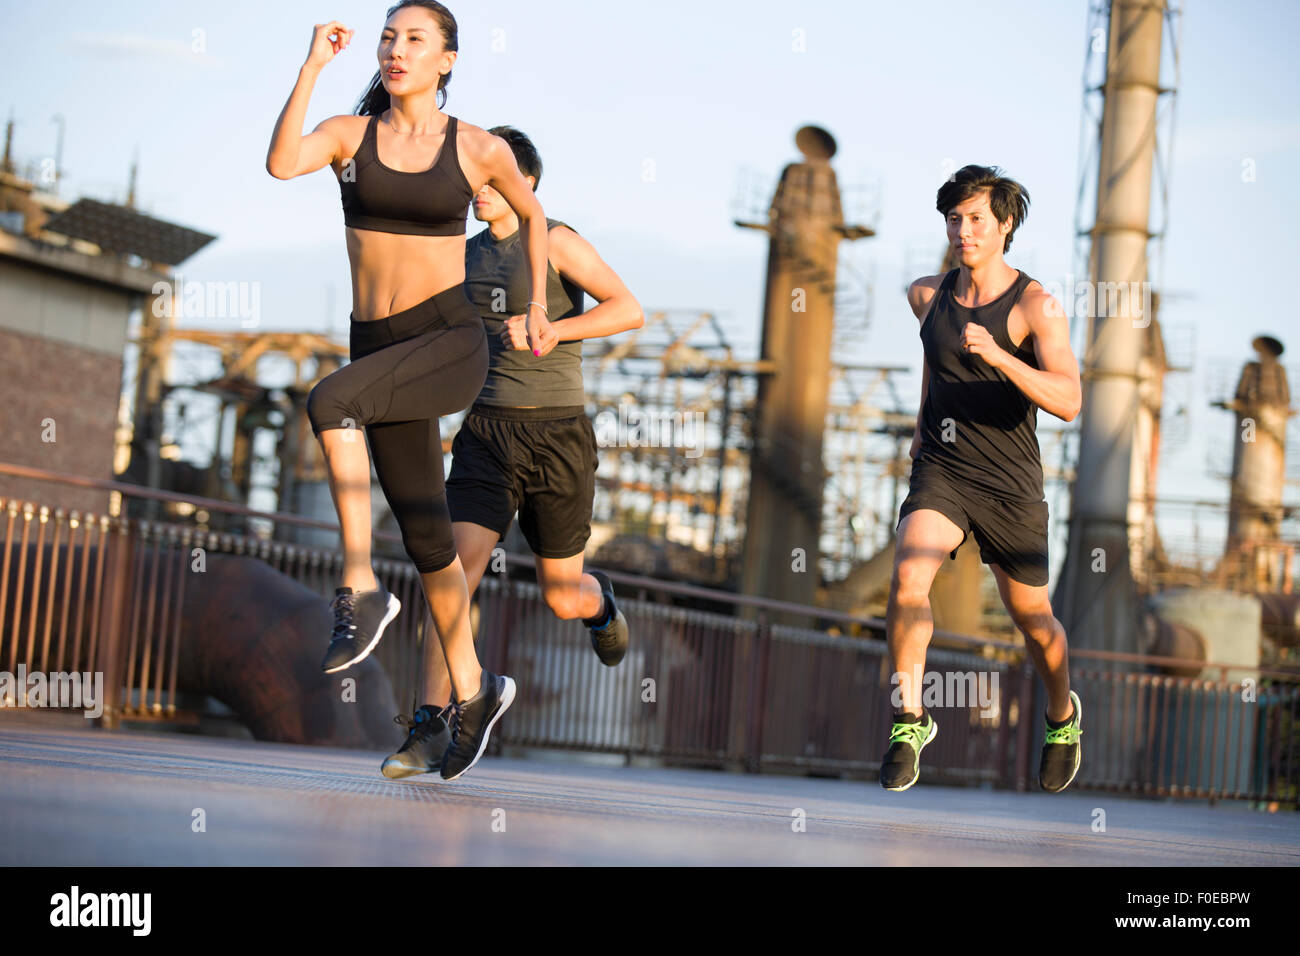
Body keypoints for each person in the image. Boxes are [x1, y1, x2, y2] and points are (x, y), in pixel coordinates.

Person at [266, 3, 549, 780]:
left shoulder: (477, 146)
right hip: (378, 344)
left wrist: (531, 305)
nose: (396, 50)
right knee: (430, 543)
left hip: (448, 337)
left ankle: (359, 583)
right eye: (389, 38)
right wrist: (312, 66)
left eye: (414, 40)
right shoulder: (351, 137)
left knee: (329, 403)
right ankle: (475, 689)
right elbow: (283, 162)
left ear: (447, 60)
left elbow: (532, 213)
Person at [381, 126, 643, 779]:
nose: (478, 191)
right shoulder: (463, 258)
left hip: (557, 436)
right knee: (452, 574)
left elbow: (628, 308)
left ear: (523, 187)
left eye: (493, 180)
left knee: (560, 595)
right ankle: (431, 720)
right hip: (488, 436)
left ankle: (599, 602)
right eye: (473, 179)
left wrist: (558, 328)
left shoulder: (555, 241)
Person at [882, 164, 1084, 793]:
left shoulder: (1034, 305)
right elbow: (934, 361)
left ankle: (1062, 715)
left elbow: (1070, 399)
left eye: (975, 220)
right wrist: (922, 426)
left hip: (1009, 483)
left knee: (1033, 619)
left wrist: (999, 355)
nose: (962, 231)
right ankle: (910, 719)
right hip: (943, 468)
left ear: (1004, 226)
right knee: (910, 574)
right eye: (953, 219)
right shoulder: (925, 295)